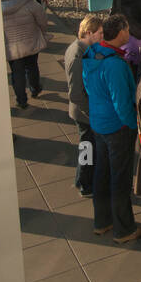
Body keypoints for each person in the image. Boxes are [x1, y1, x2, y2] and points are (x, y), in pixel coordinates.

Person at [82, 13, 141, 243]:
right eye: (127, 30)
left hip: (98, 124)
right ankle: (125, 229)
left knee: (102, 173)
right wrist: (134, 126)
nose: (129, 34)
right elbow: (122, 103)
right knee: (120, 179)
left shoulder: (92, 55)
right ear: (120, 33)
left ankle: (102, 221)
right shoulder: (115, 66)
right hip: (117, 128)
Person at [63, 15, 103, 197]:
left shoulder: (81, 48)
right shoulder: (78, 55)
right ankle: (84, 183)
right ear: (89, 33)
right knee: (87, 147)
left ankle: (85, 180)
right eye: (100, 33)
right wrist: (91, 112)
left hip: (84, 111)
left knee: (88, 146)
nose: (102, 37)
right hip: (84, 113)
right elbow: (76, 93)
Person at [2, 0, 48, 108]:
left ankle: (21, 100)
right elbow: (43, 21)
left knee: (17, 74)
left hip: (12, 48)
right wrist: (43, 33)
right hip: (31, 43)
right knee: (32, 66)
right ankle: (35, 89)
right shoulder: (30, 3)